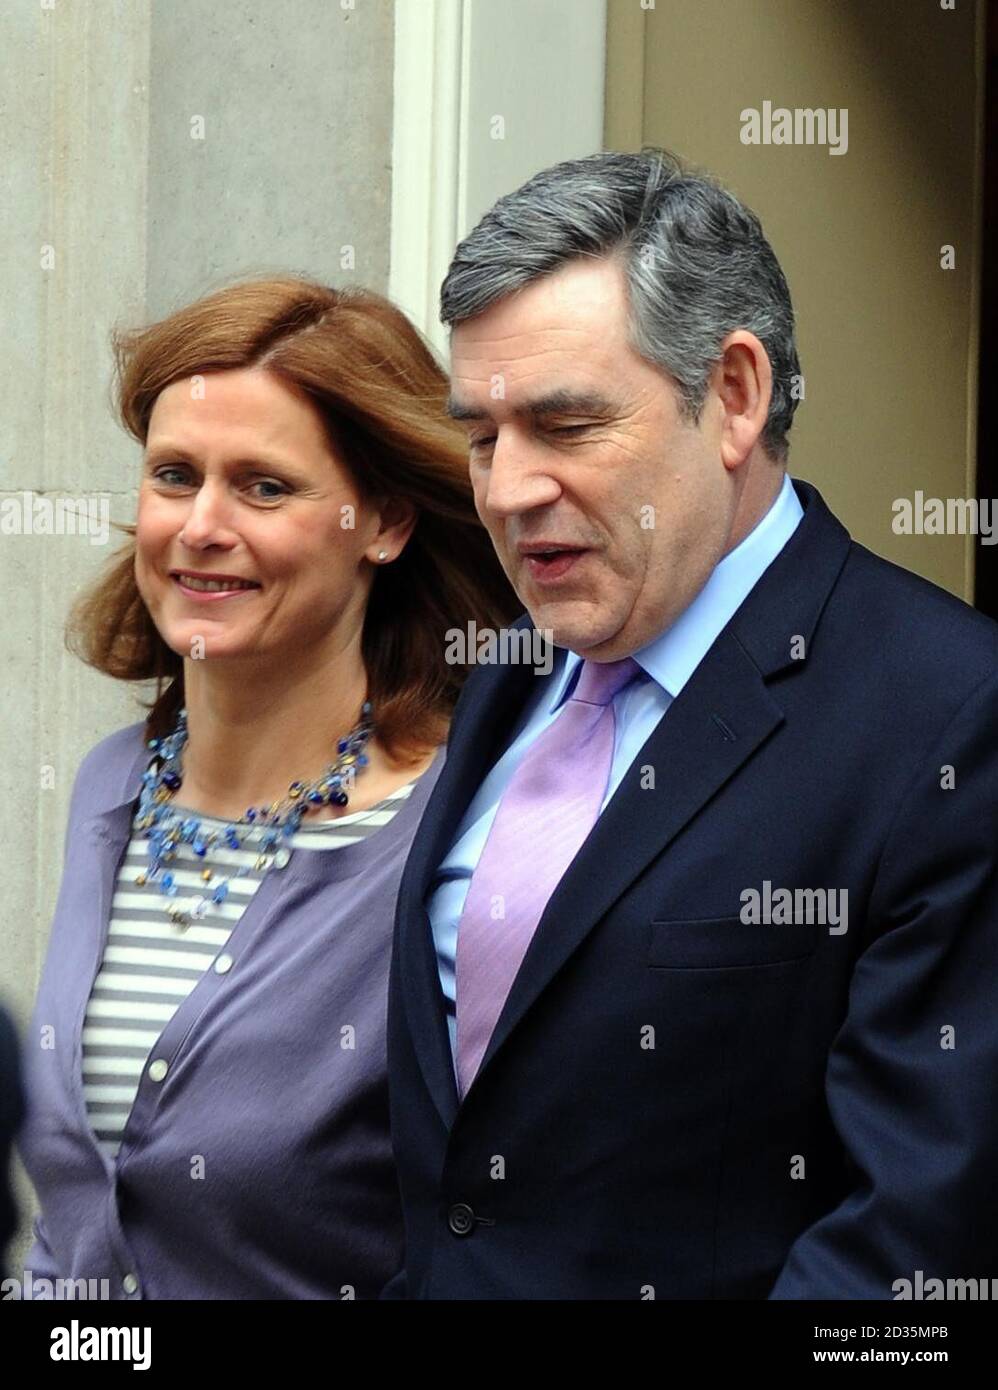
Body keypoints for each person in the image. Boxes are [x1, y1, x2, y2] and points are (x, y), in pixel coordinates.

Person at [383, 149, 998, 1299]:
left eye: (564, 426)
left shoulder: (946, 717)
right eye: (481, 438)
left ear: (732, 395)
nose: (508, 490)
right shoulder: (511, 673)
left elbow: (910, 1241)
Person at [17, 275, 518, 1300]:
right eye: (173, 475)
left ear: (381, 522)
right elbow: (70, 1226)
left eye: (263, 486)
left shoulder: (455, 835)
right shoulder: (111, 790)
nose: (201, 524)